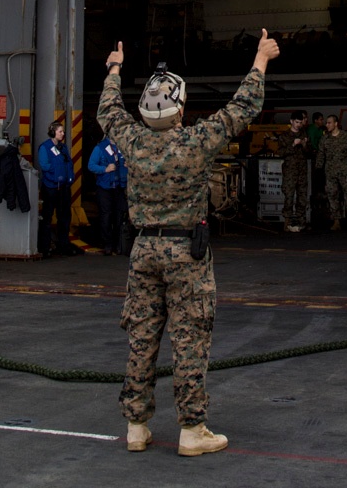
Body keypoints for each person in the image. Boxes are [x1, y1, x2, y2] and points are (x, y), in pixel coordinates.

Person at [97, 32, 279, 457]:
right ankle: (192, 429)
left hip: (143, 250)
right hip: (186, 253)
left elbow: (108, 111)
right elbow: (241, 109)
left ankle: (136, 426)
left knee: (142, 337)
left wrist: (114, 69)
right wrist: (260, 59)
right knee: (189, 338)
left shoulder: (132, 141)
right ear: (179, 110)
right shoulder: (195, 142)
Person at [316, 114, 347, 232]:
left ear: (336, 124)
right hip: (330, 172)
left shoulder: (346, 137)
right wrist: (318, 170)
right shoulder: (325, 139)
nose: (327, 125)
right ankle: (336, 221)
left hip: (344, 172)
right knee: (332, 196)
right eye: (326, 123)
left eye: (329, 123)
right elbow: (320, 155)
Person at [37, 121, 75, 257]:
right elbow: (44, 165)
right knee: (47, 217)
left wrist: (70, 178)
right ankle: (45, 247)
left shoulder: (63, 148)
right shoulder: (45, 147)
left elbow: (69, 164)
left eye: (63, 131)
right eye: (60, 131)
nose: (63, 134)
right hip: (51, 187)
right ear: (53, 132)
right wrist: (56, 174)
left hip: (64, 187)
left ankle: (63, 246)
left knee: (64, 217)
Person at [88, 133, 128, 255]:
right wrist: (105, 169)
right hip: (105, 187)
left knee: (119, 215)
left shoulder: (122, 147)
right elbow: (91, 165)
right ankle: (107, 244)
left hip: (119, 187)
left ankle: (118, 244)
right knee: (106, 216)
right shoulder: (99, 148)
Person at [277, 111, 310, 232]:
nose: (298, 125)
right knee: (289, 196)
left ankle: (302, 221)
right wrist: (293, 144)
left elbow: (310, 152)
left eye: (300, 122)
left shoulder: (303, 134)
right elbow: (280, 152)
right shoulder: (284, 136)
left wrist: (304, 144)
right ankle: (287, 221)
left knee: (302, 197)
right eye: (296, 122)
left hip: (302, 171)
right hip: (290, 171)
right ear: (291, 121)